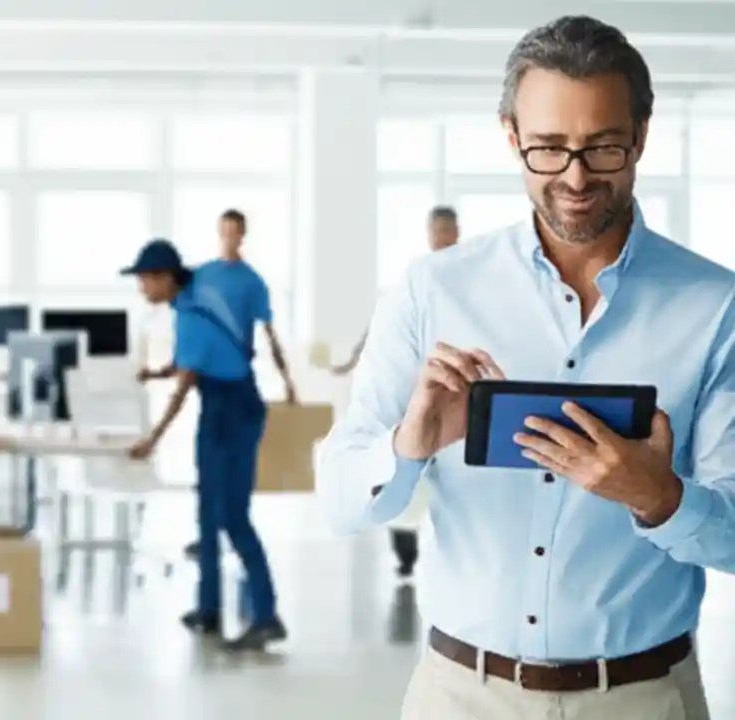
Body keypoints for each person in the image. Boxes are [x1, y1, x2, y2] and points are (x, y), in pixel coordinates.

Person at [319, 16, 728, 718]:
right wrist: (407, 445)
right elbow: (338, 502)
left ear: (641, 135)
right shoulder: (432, 290)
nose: (575, 177)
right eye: (547, 149)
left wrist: (658, 496)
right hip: (458, 696)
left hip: (641, 699)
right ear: (511, 136)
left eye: (603, 147)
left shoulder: (717, 309)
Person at [124, 238, 286, 652]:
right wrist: (156, 372)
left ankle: (267, 616)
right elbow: (191, 362)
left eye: (145, 280)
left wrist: (152, 440)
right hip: (219, 405)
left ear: (164, 278)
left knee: (233, 517)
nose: (141, 288)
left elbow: (185, 387)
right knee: (206, 515)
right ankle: (208, 609)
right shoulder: (193, 294)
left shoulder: (191, 316)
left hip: (233, 410)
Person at [141, 209, 297, 560]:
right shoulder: (202, 276)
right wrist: (159, 371)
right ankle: (209, 537)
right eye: (224, 232)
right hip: (212, 384)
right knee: (208, 473)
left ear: (243, 235)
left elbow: (269, 335)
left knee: (230, 477)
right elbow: (195, 340)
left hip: (236, 387)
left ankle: (228, 537)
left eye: (235, 233)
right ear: (219, 233)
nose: (230, 238)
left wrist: (288, 381)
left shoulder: (252, 283)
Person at [331, 205, 461, 578]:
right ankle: (406, 550)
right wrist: (350, 361)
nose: (441, 237)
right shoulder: (416, 280)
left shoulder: (472, 278)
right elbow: (380, 330)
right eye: (436, 230)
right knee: (404, 466)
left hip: (458, 393)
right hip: (416, 389)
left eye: (446, 230)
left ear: (456, 232)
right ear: (429, 232)